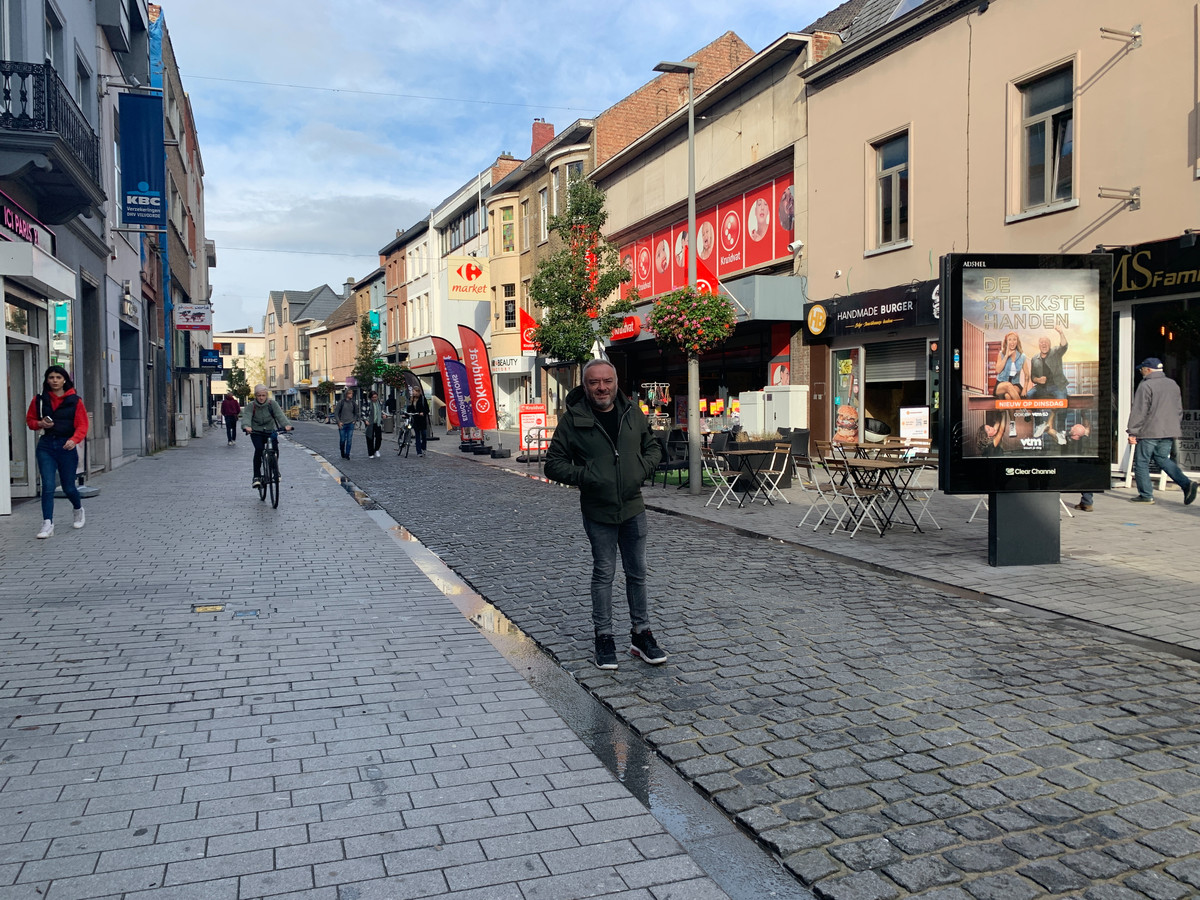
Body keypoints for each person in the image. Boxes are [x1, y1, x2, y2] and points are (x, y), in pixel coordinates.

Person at [545, 358, 667, 670]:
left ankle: (641, 635)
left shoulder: (631, 412)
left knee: (637, 573)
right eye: (594, 382)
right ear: (585, 386)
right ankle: (604, 637)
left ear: (615, 383)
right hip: (598, 509)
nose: (601, 387)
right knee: (604, 574)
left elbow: (652, 448)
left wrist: (640, 469)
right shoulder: (573, 419)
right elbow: (553, 463)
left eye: (607, 381)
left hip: (633, 507)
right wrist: (590, 475)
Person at [26, 365, 88, 539]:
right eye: (51, 377)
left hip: (66, 446)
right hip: (46, 445)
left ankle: (78, 509)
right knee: (48, 485)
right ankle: (47, 523)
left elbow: (82, 424)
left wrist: (74, 440)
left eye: (58, 377)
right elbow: (30, 420)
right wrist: (40, 424)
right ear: (47, 380)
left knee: (68, 487)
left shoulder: (75, 400)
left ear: (65, 380)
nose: (54, 381)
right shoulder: (39, 400)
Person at [1126, 358, 1197, 505]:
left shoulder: (1146, 385)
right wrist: (1174, 426)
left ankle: (1146, 495)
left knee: (1141, 462)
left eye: (1142, 369)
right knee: (1162, 459)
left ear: (1149, 370)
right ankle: (1186, 484)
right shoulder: (1173, 384)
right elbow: (1179, 409)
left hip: (1150, 431)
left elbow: (1139, 411)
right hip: (1168, 431)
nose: (1141, 371)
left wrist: (1133, 431)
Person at [240, 384, 293, 488]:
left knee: (274, 449)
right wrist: (246, 426)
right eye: (259, 395)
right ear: (255, 395)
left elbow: (280, 415)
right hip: (256, 432)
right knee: (259, 449)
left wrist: (287, 425)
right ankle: (256, 477)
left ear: (266, 395)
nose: (261, 397)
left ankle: (275, 472)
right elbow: (246, 417)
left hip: (270, 431)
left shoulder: (272, 404)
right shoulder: (251, 406)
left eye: (263, 395)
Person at [1028, 325, 1069, 445]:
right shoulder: (1035, 358)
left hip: (1057, 386)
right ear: (1039, 345)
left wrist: (1061, 332)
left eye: (1046, 342)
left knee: (1062, 402)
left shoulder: (1056, 352)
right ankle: (1040, 423)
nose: (1043, 344)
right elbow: (1032, 377)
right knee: (1030, 395)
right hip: (1042, 387)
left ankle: (1061, 431)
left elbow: (1064, 345)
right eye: (1041, 342)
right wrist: (1037, 380)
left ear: (1049, 345)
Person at [993, 332, 1029, 402]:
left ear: (1017, 341)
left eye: (1014, 340)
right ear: (1006, 342)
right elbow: (998, 370)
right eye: (1010, 340)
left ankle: (1012, 413)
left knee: (1008, 396)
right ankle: (1023, 410)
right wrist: (1006, 356)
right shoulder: (1001, 354)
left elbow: (1027, 375)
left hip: (1015, 384)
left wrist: (1025, 388)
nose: (1012, 342)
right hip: (1001, 384)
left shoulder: (1022, 356)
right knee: (1008, 385)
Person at [335, 387, 359, 459]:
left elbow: (356, 413)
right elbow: (336, 413)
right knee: (342, 440)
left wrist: (354, 420)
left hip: (350, 424)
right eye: (350, 393)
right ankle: (342, 451)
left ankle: (347, 454)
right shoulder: (341, 402)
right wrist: (339, 422)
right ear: (346, 394)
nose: (351, 395)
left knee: (349, 440)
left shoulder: (353, 403)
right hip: (342, 424)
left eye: (352, 393)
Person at [408, 390, 430, 457]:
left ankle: (423, 447)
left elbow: (427, 409)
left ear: (418, 392)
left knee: (423, 434)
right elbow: (410, 408)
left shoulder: (423, 399)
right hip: (416, 419)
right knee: (417, 436)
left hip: (422, 420)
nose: (413, 393)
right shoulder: (412, 399)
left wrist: (423, 413)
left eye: (414, 391)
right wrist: (407, 414)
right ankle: (418, 451)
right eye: (413, 392)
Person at [364, 390, 383, 459]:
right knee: (370, 438)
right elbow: (364, 412)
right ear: (371, 398)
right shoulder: (368, 403)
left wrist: (383, 415)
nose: (375, 398)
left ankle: (376, 449)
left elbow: (381, 411)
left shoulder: (379, 403)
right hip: (370, 423)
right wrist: (366, 420)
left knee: (379, 438)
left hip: (377, 423)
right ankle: (370, 453)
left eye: (376, 397)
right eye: (373, 397)